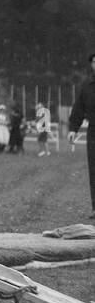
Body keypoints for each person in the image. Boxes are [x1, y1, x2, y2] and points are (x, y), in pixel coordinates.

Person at [68, 54, 95, 216]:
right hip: (93, 132)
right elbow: (78, 109)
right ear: (92, 65)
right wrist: (73, 129)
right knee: (94, 170)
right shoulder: (87, 86)